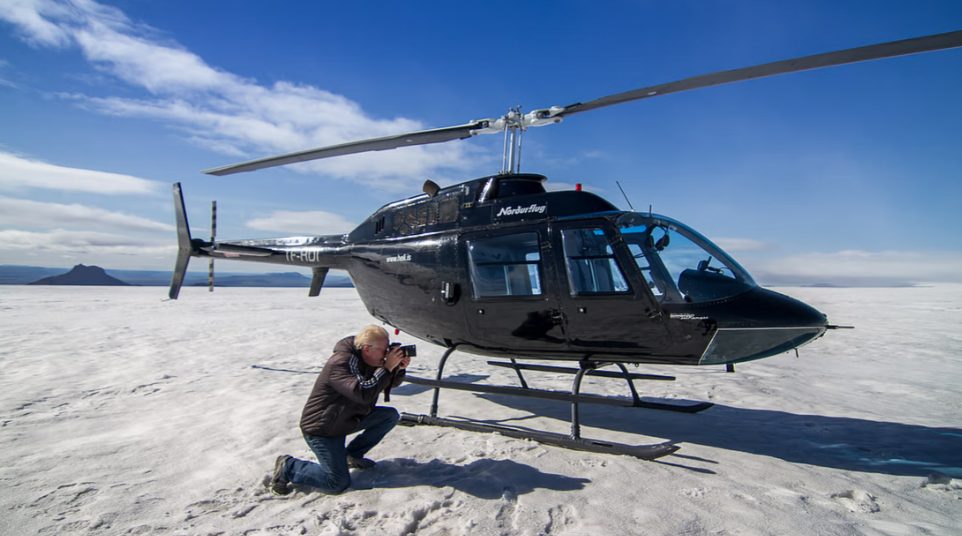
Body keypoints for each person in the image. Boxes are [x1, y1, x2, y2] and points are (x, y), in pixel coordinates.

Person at [269, 325, 409, 495]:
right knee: (337, 482)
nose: (387, 354)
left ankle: (352, 455)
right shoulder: (341, 363)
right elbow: (362, 392)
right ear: (366, 349)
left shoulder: (370, 360)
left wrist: (397, 369)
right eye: (383, 350)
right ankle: (289, 467)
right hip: (323, 428)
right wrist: (386, 368)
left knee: (389, 416)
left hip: (347, 419)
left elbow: (385, 384)